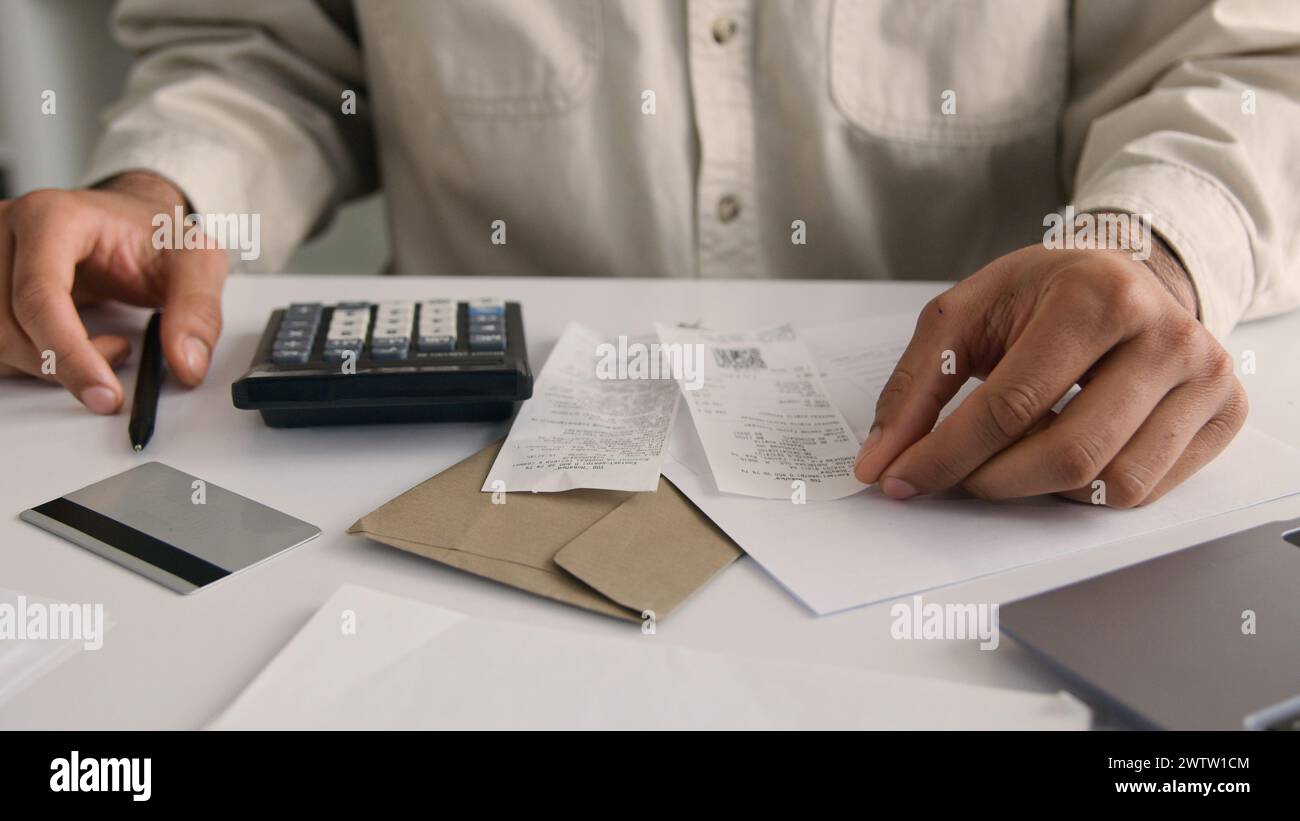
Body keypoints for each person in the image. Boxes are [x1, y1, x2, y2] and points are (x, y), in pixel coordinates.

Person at [1, 0, 1297, 508]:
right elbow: (273, 54)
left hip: (977, 461)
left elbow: (1230, 59)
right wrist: (167, 192)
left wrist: (1149, 248)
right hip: (453, 482)